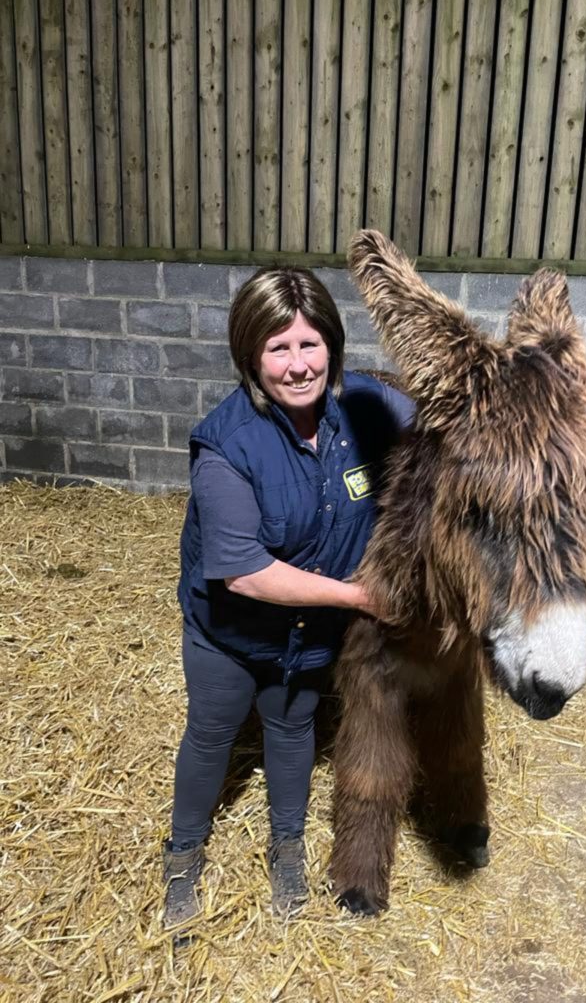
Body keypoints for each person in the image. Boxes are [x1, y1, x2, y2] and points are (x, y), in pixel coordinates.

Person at [163, 266, 413, 929]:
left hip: (308, 635)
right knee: (212, 735)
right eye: (279, 348)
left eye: (310, 344)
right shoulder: (227, 446)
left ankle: (287, 848)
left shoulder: (361, 408)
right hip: (233, 632)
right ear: (249, 355)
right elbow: (243, 571)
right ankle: (182, 858)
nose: (298, 365)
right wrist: (359, 596)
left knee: (293, 727)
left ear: (332, 345)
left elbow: (443, 433)